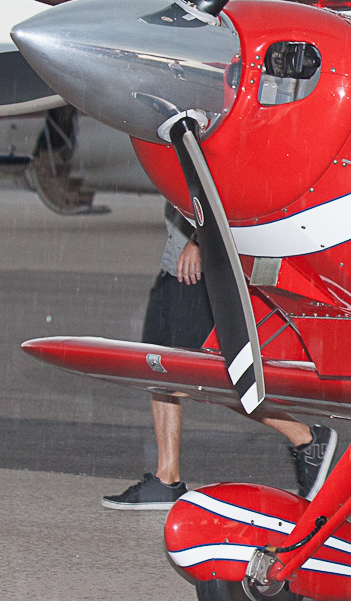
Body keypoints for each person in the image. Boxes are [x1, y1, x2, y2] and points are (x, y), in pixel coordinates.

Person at [103, 201, 337, 510]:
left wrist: (201, 241)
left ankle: (307, 438)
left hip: (199, 262)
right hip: (175, 261)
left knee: (201, 376)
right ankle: (166, 479)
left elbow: (222, 181)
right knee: (157, 368)